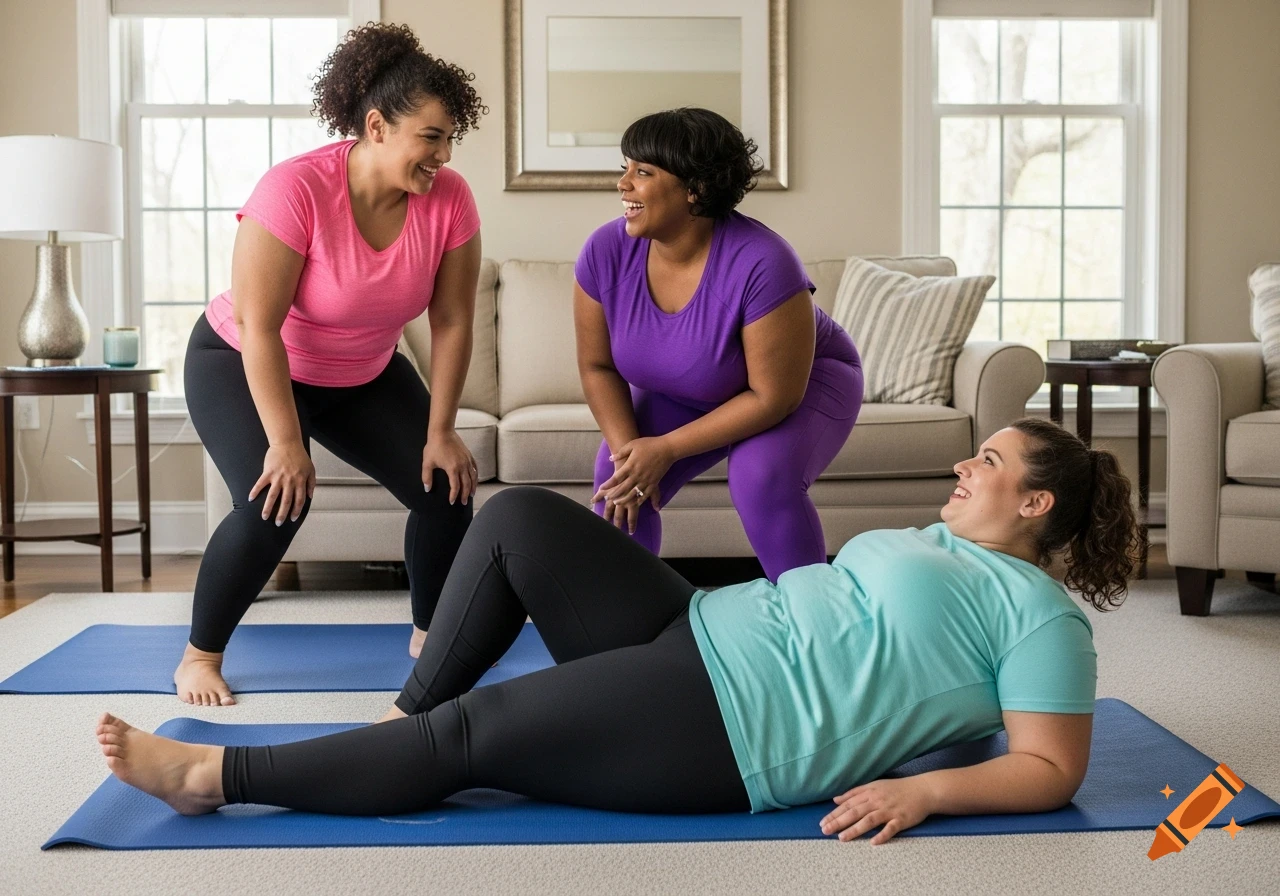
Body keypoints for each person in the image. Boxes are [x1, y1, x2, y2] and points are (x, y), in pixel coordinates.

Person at [97, 418, 1142, 843]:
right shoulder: (936, 540)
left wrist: (924, 786)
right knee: (515, 514)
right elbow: (926, 679)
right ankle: (397, 716)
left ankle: (208, 780)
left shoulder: (1041, 615)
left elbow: (1047, 763)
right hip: (697, 625)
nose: (966, 465)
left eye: (990, 462)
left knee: (479, 731)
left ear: (1038, 505)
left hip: (735, 723)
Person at [177, 23, 487, 707]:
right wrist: (287, 445)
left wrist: (442, 429)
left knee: (447, 489)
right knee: (274, 504)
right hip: (242, 357)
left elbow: (454, 319)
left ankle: (430, 637)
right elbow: (260, 327)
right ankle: (200, 655)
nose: (444, 154)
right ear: (377, 126)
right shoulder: (295, 189)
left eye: (450, 137)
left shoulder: (450, 199)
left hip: (362, 372)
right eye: (430, 137)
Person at [574, 108, 863, 582]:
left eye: (642, 172)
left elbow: (774, 397)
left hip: (805, 383)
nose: (623, 184)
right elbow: (597, 367)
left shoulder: (765, 261)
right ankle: (633, 633)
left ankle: (816, 628)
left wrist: (665, 448)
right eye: (624, 168)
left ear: (696, 189)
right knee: (618, 481)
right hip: (694, 387)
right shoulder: (605, 251)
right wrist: (634, 455)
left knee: (759, 479)